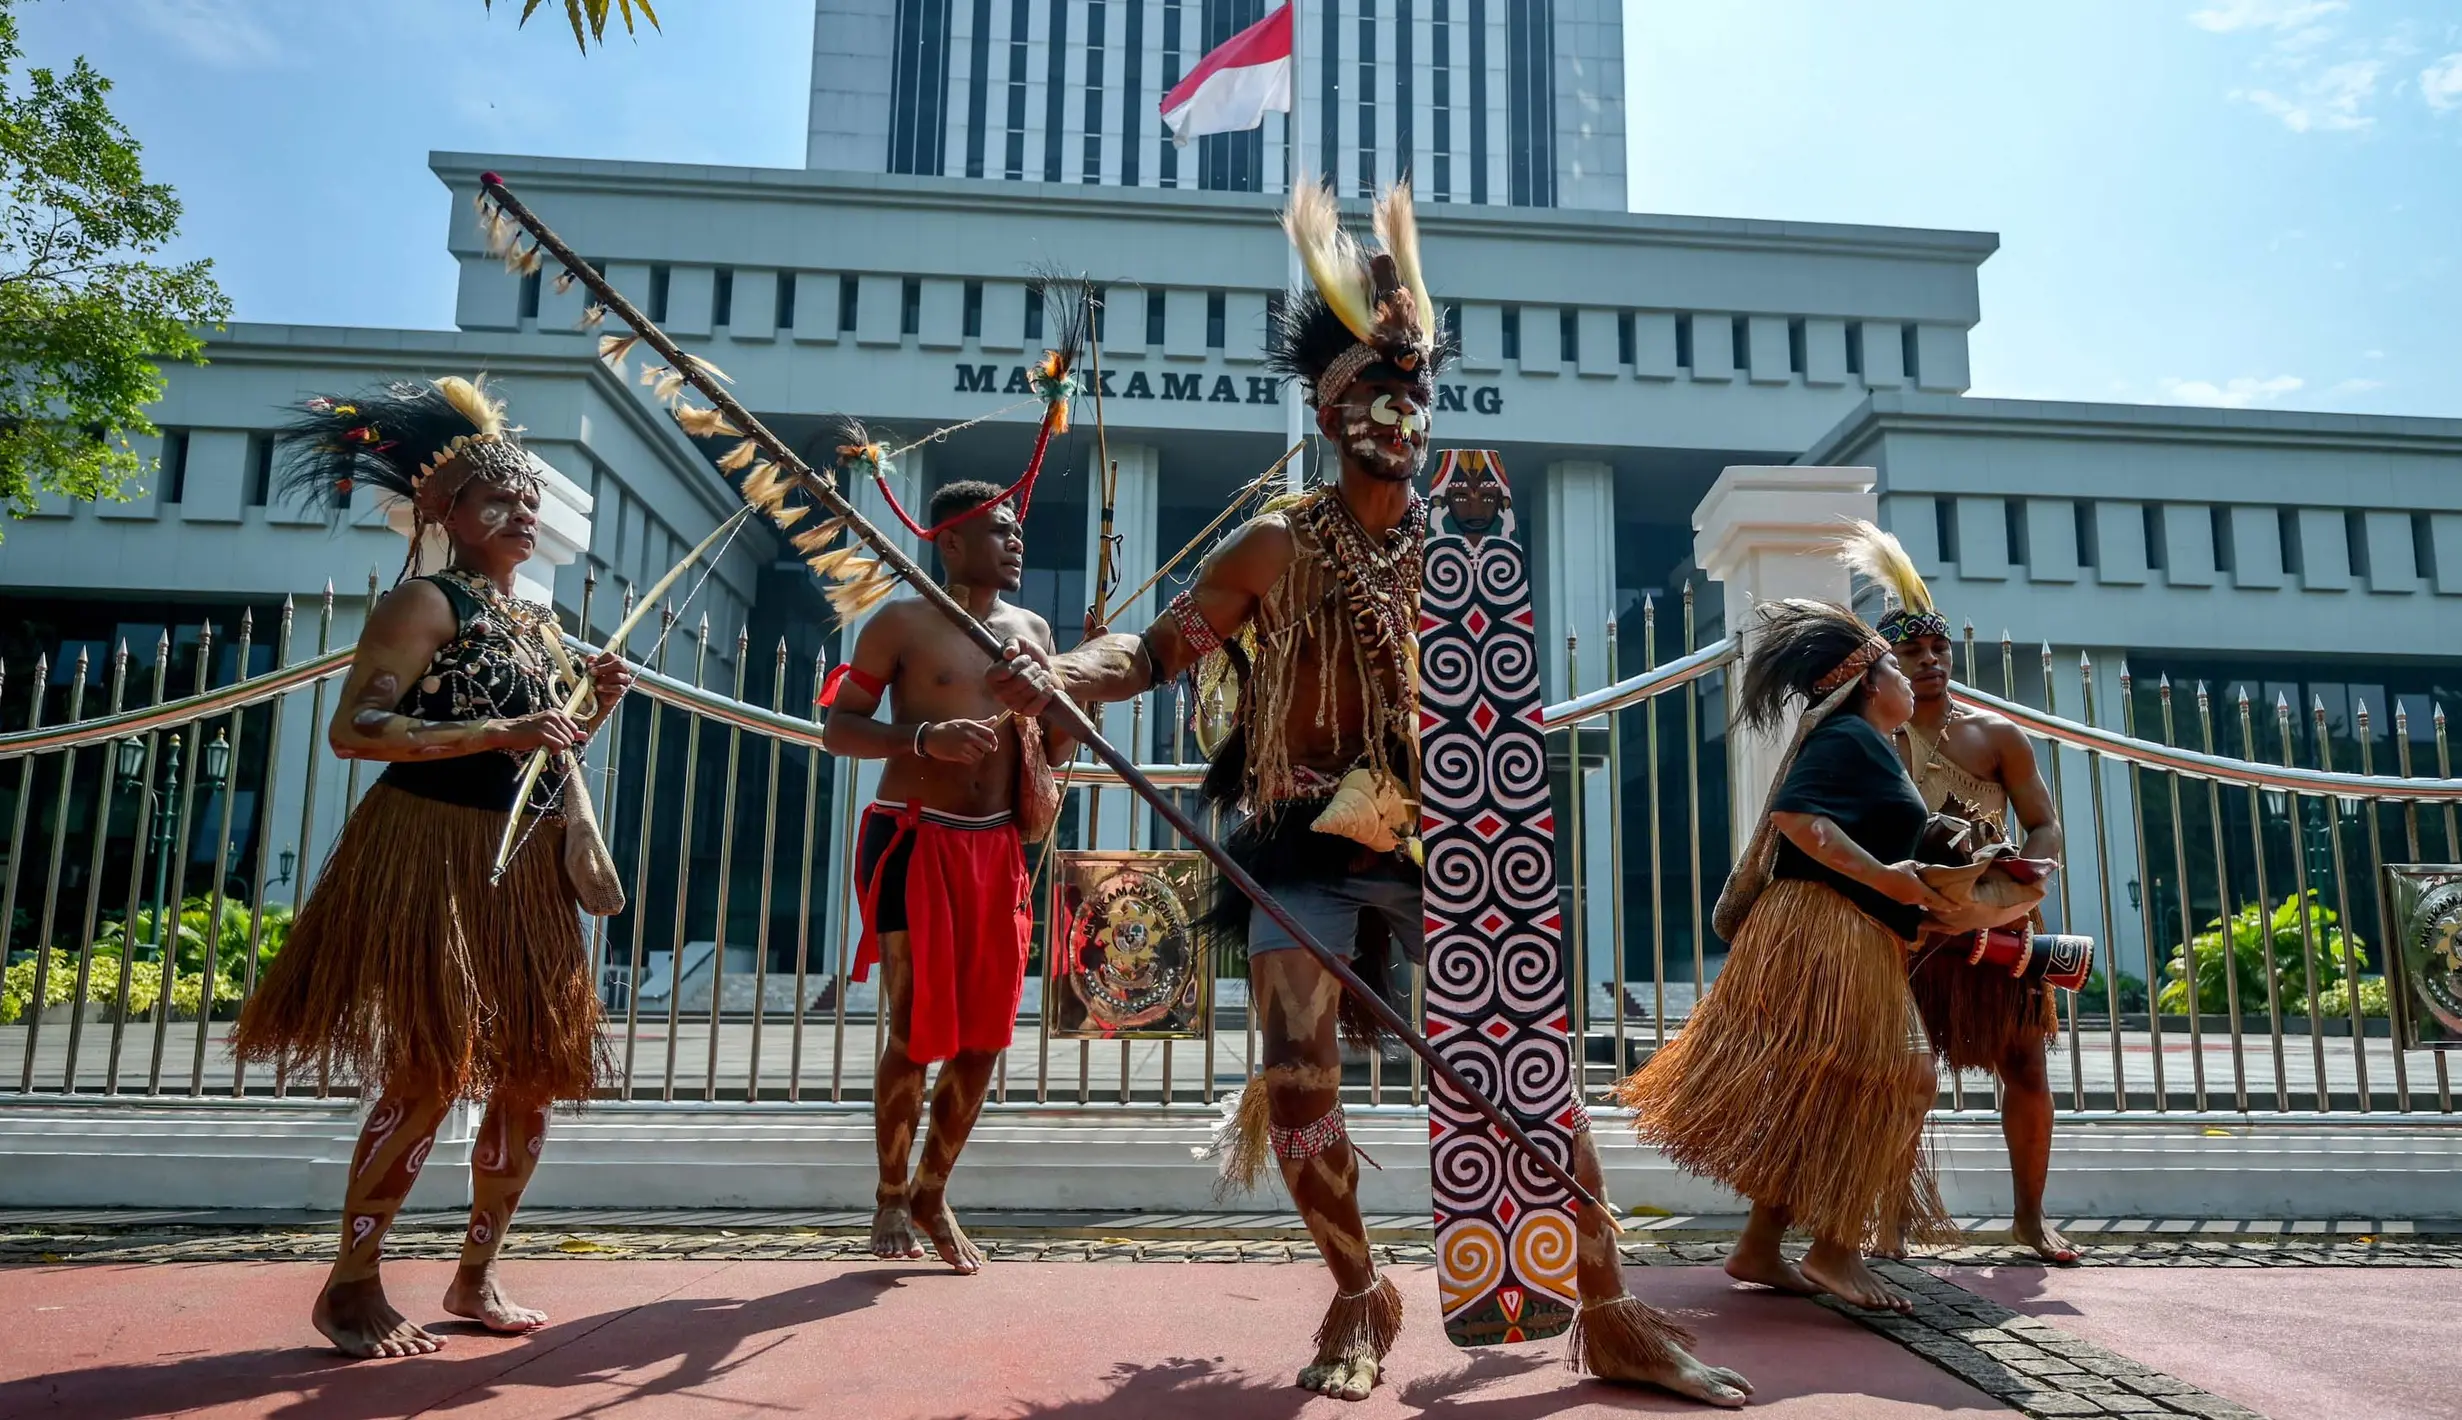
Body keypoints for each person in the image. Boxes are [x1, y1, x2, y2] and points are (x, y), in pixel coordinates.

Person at [986, 180, 1748, 1408]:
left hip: (1434, 841)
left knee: (1524, 1062)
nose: (1398, 412)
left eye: (1414, 391)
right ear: (1327, 407)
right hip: (1295, 837)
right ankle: (1356, 1287)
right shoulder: (1275, 542)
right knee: (1295, 1070)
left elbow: (1497, 709)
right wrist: (1055, 670)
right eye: (1372, 392)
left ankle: (1607, 1312)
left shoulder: (1456, 552)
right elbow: (1151, 651)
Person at [233, 376, 633, 1358]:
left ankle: (475, 1271)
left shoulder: (537, 624)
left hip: (528, 870)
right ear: (443, 512)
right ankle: (352, 1282)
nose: (521, 512)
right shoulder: (424, 599)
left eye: (528, 499)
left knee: (534, 1076)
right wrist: (505, 723)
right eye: (496, 498)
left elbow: (547, 748)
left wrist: (592, 709)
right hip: (432, 854)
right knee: (425, 1071)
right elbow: (355, 728)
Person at [1614, 597, 2023, 1315]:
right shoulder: (1847, 738)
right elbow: (1797, 820)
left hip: (1849, 932)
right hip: (1827, 929)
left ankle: (1763, 1245)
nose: (1910, 678)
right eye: (1896, 664)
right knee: (1906, 1078)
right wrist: (1885, 877)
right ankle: (1834, 1251)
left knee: (1835, 1089)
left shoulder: (1868, 745)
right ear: (1869, 680)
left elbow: (1855, 832)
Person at [821, 480, 1065, 1275]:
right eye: (999, 529)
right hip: (914, 842)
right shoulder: (899, 622)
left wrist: (1051, 696)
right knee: (916, 1027)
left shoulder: (1031, 630)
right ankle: (891, 1192)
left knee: (987, 1035)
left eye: (1019, 530)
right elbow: (838, 730)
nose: (1016, 541)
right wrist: (923, 739)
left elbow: (1056, 754)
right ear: (949, 541)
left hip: (996, 850)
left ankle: (932, 1189)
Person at [1860, 527, 2075, 1264]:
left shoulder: (1997, 736)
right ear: (1887, 662)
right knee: (1901, 1076)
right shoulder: (1872, 739)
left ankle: (2029, 1216)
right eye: (1912, 653)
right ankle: (1887, 1219)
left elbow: (2045, 824)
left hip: (1998, 918)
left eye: (1938, 650)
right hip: (1911, 921)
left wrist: (2029, 878)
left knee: (2026, 1068)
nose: (1928, 661)